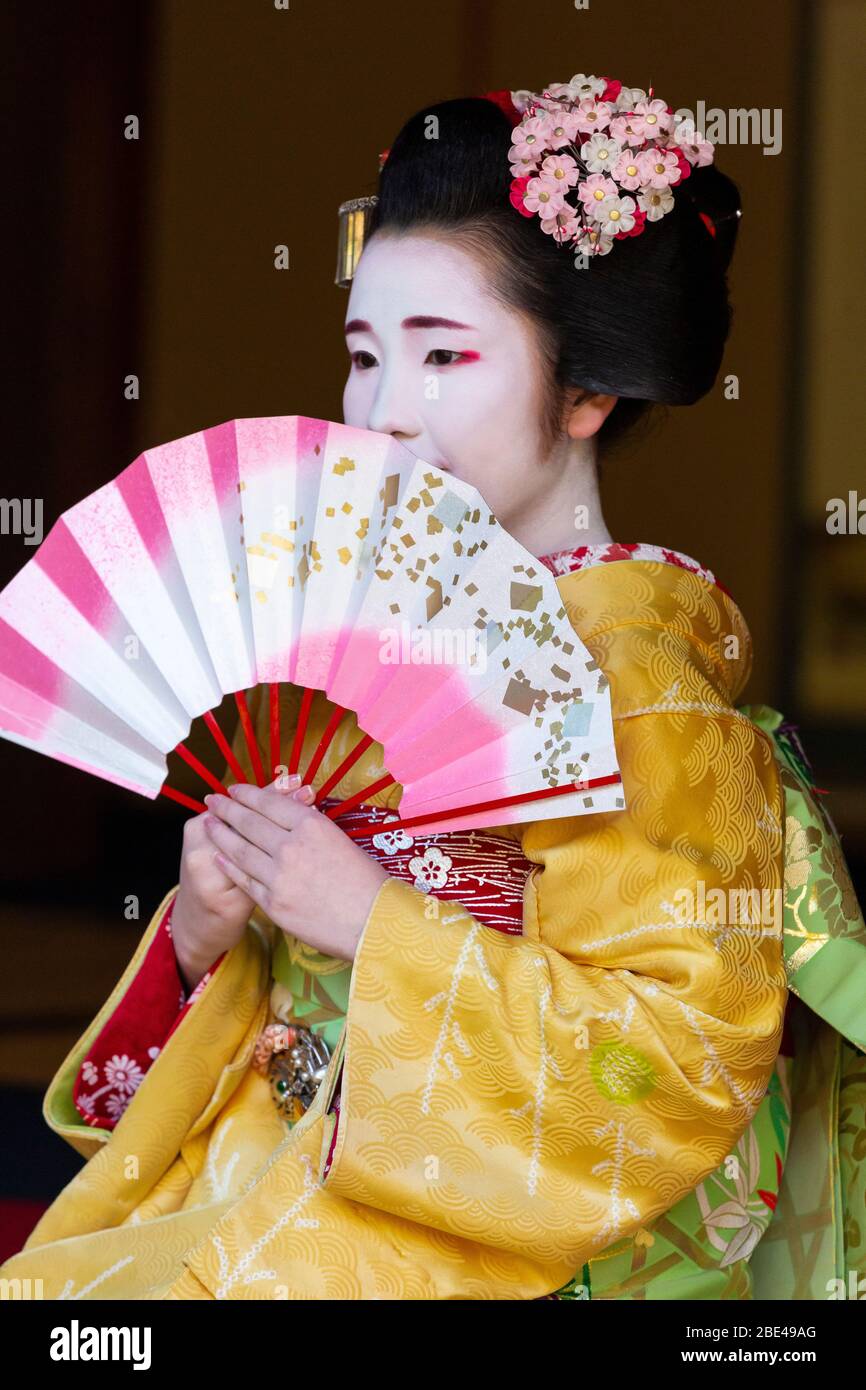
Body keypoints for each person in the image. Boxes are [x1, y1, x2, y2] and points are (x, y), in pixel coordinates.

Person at [2, 76, 863, 1301]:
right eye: (362, 355)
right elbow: (283, 1023)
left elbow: (676, 1066)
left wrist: (371, 924)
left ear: (583, 390)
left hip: (492, 1253)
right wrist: (208, 934)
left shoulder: (640, 687)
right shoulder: (362, 639)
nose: (383, 414)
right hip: (290, 1182)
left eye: (444, 354)